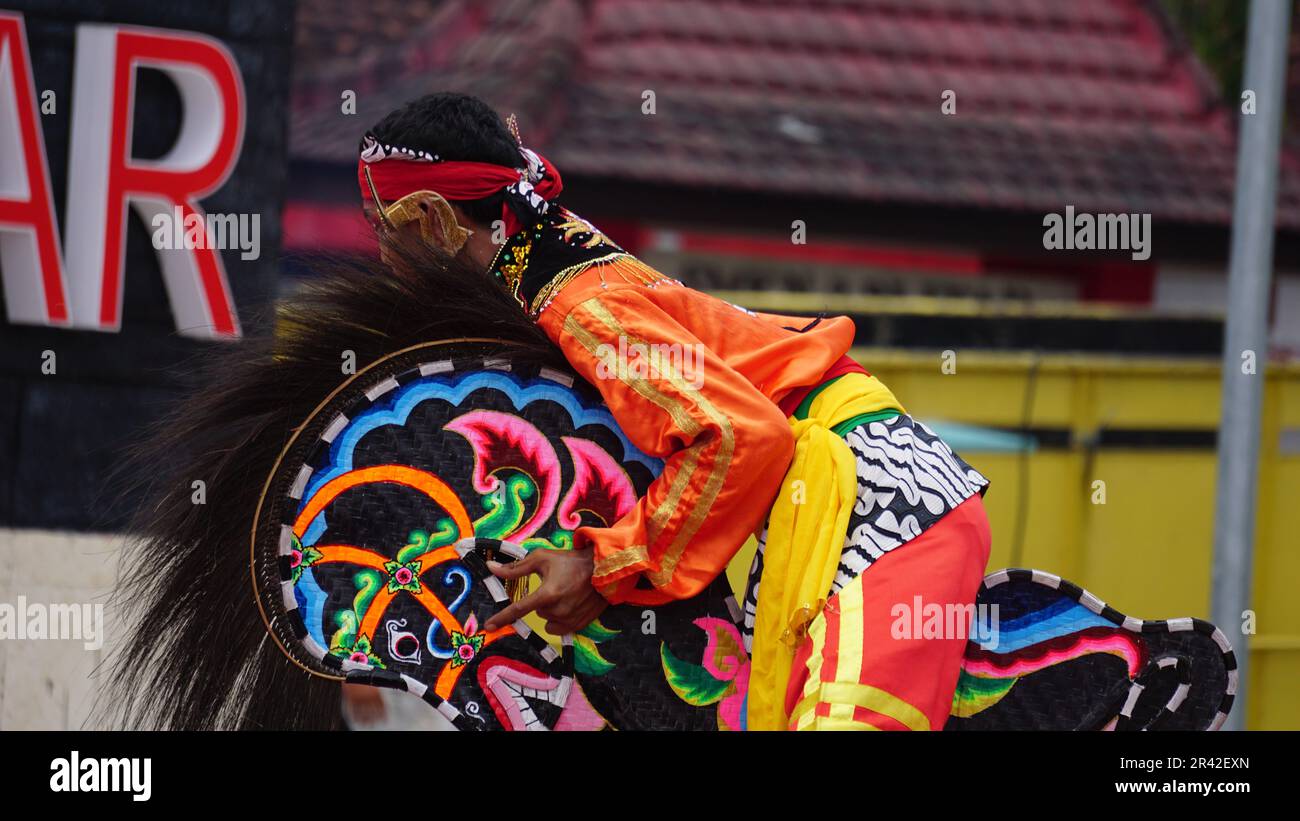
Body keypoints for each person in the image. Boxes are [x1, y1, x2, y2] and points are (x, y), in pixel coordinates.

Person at [356, 92, 993, 730]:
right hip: (844, 501)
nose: (385, 258)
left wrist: (600, 566)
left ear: (436, 218)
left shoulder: (577, 303)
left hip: (877, 497)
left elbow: (744, 436)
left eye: (389, 230)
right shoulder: (550, 268)